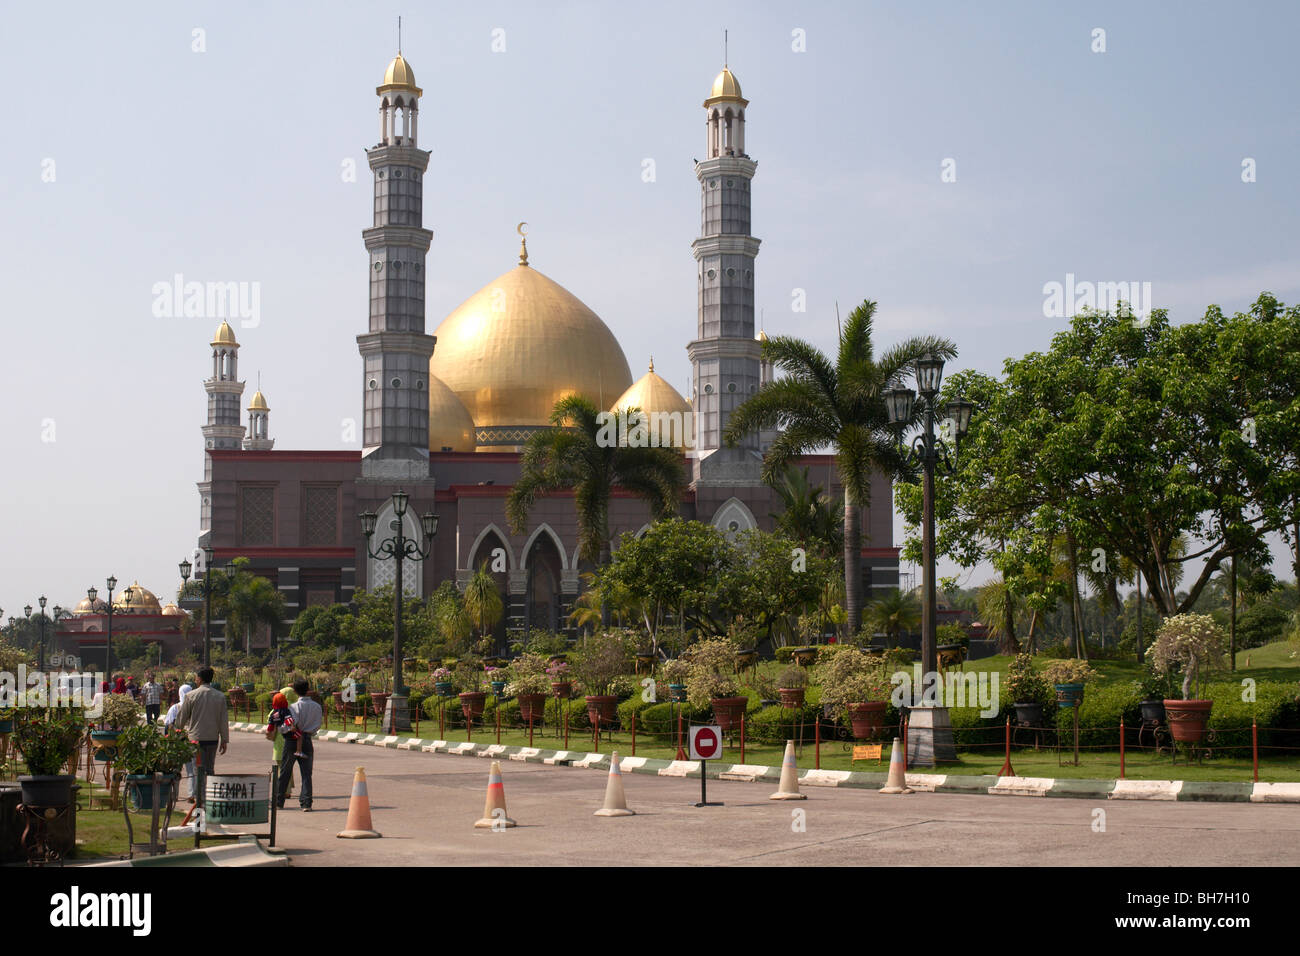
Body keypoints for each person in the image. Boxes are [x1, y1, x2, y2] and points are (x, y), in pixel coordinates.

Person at [174, 668, 229, 807]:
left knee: (197, 769)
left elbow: (181, 719)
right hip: (212, 739)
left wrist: (177, 729)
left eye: (196, 678)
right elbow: (223, 720)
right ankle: (209, 798)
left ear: (200, 679)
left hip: (195, 739)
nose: (195, 680)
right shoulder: (220, 696)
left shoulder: (191, 695)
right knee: (210, 769)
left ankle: (200, 802)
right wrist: (224, 739)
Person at [276, 679, 322, 811]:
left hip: (292, 740)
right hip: (307, 738)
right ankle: (306, 803)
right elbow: (317, 725)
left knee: (285, 771)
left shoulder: (293, 707)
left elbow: (290, 724)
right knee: (306, 773)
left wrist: (282, 729)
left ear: (295, 691)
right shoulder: (316, 707)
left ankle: (279, 801)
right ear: (308, 689)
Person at [164, 684, 197, 802]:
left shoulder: (175, 708)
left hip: (177, 743)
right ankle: (191, 795)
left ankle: (174, 795)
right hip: (191, 742)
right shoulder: (195, 708)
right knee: (191, 770)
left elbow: (168, 725)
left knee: (175, 769)